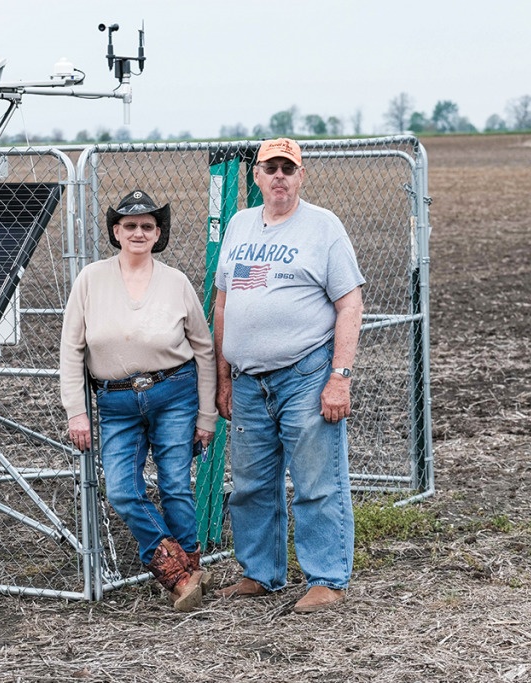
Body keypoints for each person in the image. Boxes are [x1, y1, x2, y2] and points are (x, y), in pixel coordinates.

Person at [212, 138, 365, 614]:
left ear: (302, 176)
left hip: (305, 375)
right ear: (256, 176)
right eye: (270, 168)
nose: (279, 176)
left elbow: (350, 303)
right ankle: (261, 573)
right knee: (252, 485)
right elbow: (222, 303)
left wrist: (339, 377)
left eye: (288, 168)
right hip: (248, 380)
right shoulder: (238, 224)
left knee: (316, 482)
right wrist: (222, 377)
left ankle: (326, 578)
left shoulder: (323, 227)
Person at [60, 189, 218, 612]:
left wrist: (207, 414)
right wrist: (77, 411)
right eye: (129, 225)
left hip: (174, 393)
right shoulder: (91, 280)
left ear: (157, 233)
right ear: (116, 231)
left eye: (147, 226)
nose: (138, 232)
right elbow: (71, 349)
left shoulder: (176, 282)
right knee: (124, 491)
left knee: (173, 485)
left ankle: (186, 576)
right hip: (116, 403)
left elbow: (203, 349)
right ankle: (179, 569)